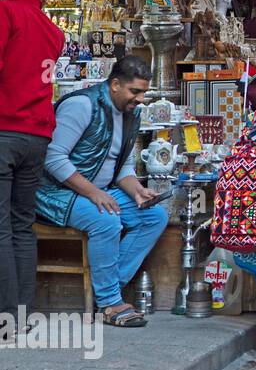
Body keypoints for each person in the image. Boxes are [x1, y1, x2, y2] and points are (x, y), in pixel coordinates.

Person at [35, 57, 168, 328]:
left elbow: (123, 167)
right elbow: (53, 159)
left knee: (155, 216)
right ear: (115, 84)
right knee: (105, 219)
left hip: (99, 190)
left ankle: (109, 289)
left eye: (144, 92)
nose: (140, 99)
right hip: (56, 193)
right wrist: (94, 193)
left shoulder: (130, 113)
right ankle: (109, 303)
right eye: (135, 92)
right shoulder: (81, 106)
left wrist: (137, 191)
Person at [0, 0, 65, 330]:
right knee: (22, 225)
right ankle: (21, 314)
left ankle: (5, 315)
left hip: (4, 130)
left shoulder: (4, 13)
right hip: (37, 136)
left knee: (1, 226)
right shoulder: (54, 32)